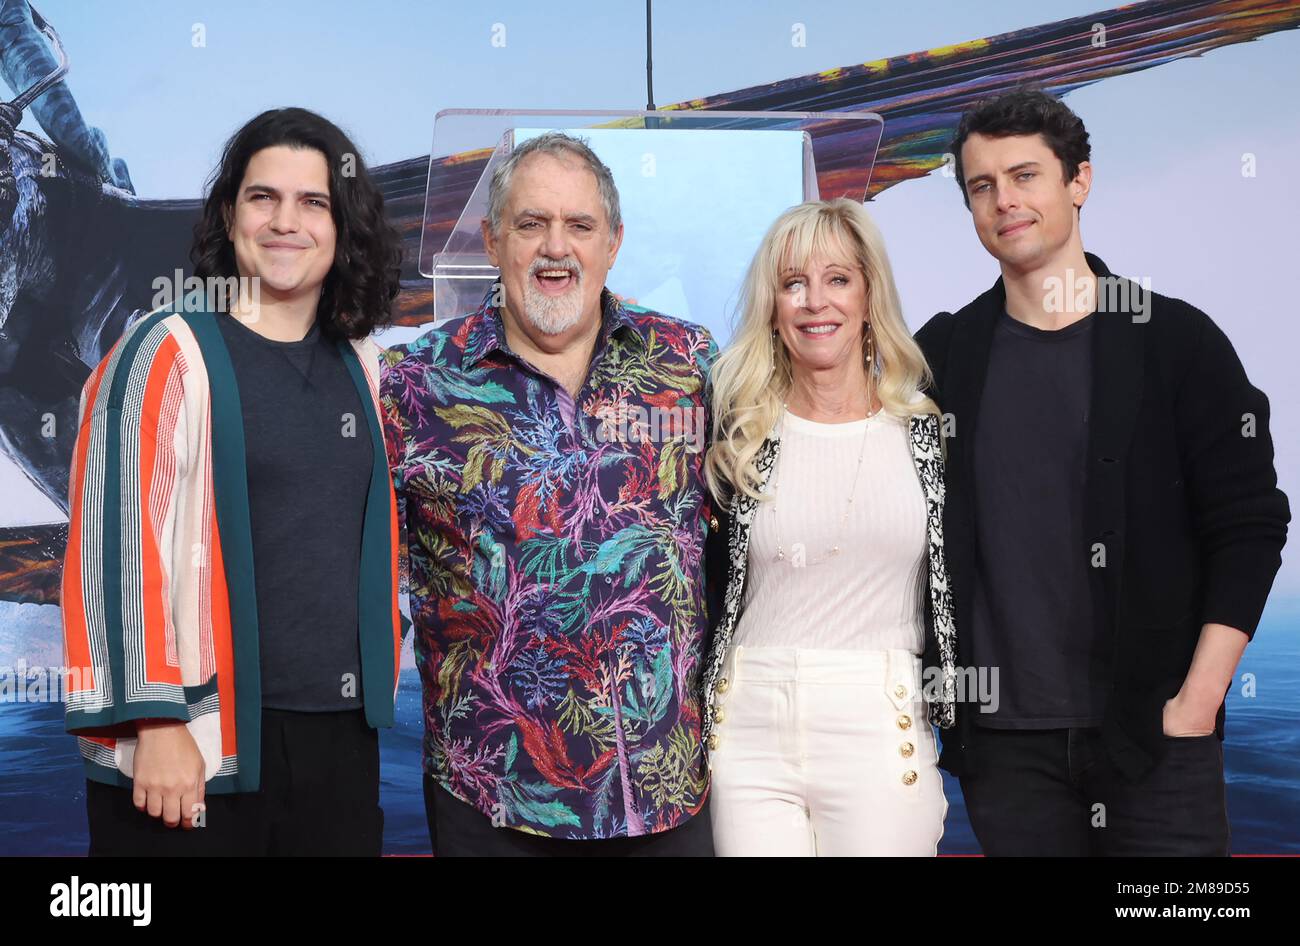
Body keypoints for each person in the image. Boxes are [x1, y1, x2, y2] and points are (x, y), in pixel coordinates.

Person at [914, 89, 1290, 856]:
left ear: (1078, 181)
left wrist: (1198, 702)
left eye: (1025, 176)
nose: (1003, 201)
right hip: (1004, 747)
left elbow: (1250, 523)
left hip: (1155, 734)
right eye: (981, 186)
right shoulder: (944, 355)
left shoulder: (1177, 342)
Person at [61, 107, 405, 856]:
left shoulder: (364, 366)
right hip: (197, 747)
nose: (287, 222)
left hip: (339, 745)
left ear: (342, 225)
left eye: (313, 202)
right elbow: (115, 544)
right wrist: (154, 723)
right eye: (262, 198)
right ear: (228, 214)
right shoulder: (164, 349)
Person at [380, 131, 718, 855]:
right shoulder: (412, 382)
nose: (555, 248)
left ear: (614, 242)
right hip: (493, 803)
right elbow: (361, 578)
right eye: (532, 224)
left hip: (668, 797)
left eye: (580, 226)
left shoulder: (689, 363)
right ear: (493, 239)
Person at [700, 198, 958, 856]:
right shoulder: (735, 435)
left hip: (879, 718)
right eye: (794, 283)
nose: (816, 302)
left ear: (870, 295)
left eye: (838, 279)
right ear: (774, 305)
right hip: (747, 724)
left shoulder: (927, 430)